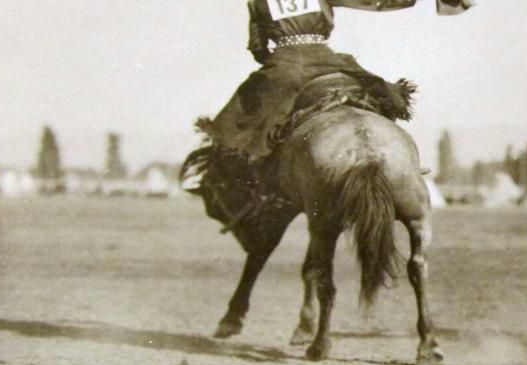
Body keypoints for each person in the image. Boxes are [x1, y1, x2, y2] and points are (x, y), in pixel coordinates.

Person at [192, 1, 477, 226]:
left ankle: (258, 182)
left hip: (284, 66)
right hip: (327, 60)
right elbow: (372, 1)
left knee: (240, 122)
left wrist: (275, 61)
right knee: (377, 94)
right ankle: (403, 165)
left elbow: (257, 46)